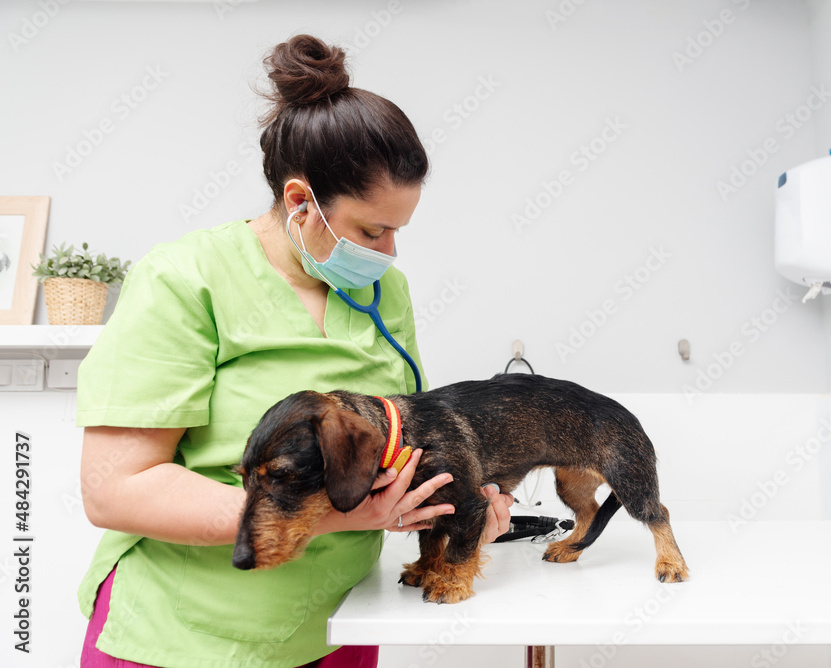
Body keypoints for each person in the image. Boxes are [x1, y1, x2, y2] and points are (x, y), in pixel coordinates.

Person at [76, 34, 512, 668]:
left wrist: (461, 505)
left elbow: (399, 450)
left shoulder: (384, 291)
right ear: (301, 201)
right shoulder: (183, 278)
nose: (390, 253)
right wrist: (340, 519)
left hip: (337, 630)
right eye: (372, 229)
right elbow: (114, 491)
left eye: (398, 230)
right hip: (183, 636)